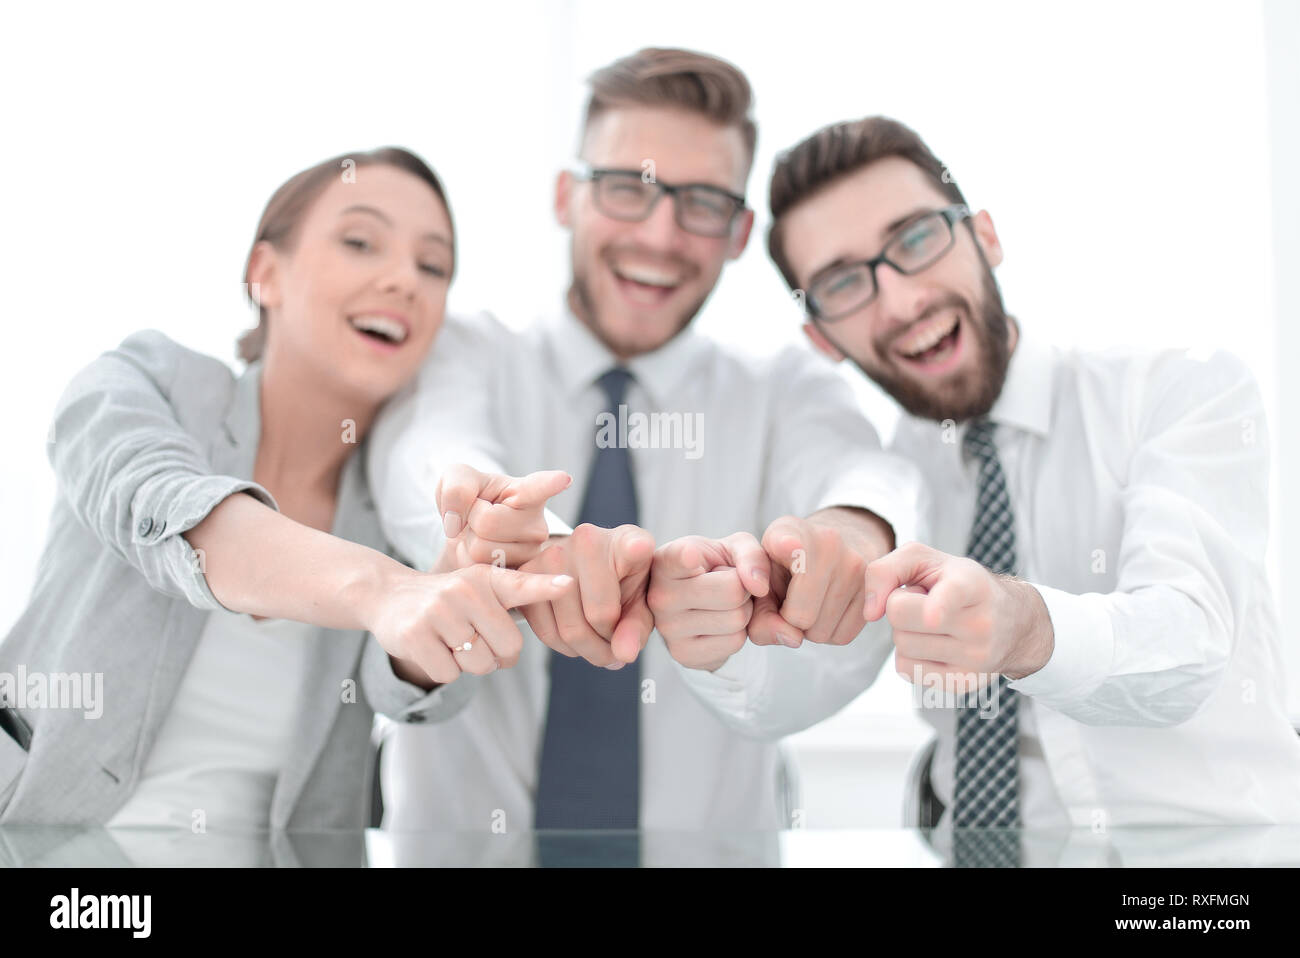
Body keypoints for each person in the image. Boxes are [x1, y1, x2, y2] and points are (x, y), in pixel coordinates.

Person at [682, 114, 1300, 864]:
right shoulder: (894, 488)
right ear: (822, 339)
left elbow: (1191, 643)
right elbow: (803, 687)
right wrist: (715, 644)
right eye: (844, 283)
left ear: (986, 237)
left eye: (915, 240)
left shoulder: (1178, 390)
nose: (902, 301)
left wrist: (1024, 628)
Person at [367, 49, 923, 844]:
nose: (661, 236)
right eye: (629, 188)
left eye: (701, 204)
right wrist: (531, 541)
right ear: (567, 197)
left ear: (737, 234)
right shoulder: (466, 355)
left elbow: (867, 470)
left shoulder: (785, 392)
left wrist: (853, 531)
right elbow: (429, 454)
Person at [0, 147, 573, 833]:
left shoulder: (400, 504)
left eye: (433, 265)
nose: (403, 280)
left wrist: (447, 616)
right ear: (264, 273)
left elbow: (408, 691)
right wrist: (386, 590)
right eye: (361, 242)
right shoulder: (149, 382)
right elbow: (170, 507)